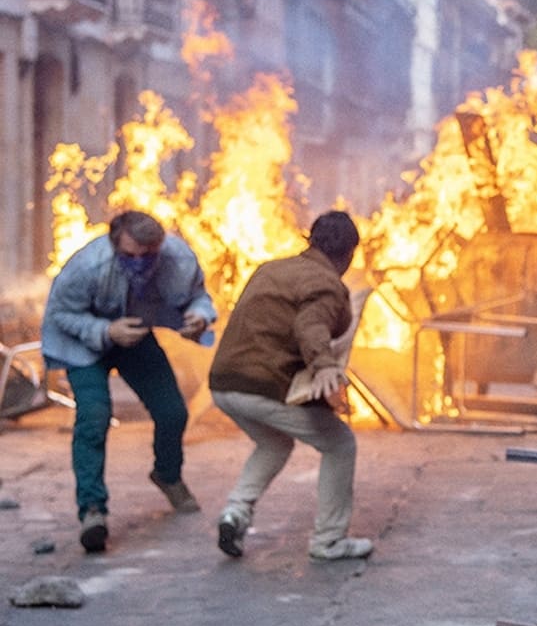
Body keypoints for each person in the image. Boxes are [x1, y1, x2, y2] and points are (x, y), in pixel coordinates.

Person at [41, 210, 215, 553]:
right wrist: (105, 330)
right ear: (114, 245)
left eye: (148, 255)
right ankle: (92, 509)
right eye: (130, 256)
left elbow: (198, 296)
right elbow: (60, 313)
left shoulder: (178, 259)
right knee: (94, 416)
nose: (139, 263)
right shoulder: (86, 266)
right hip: (82, 346)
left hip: (135, 336)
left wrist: (200, 316)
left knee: (172, 412)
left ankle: (167, 474)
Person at [208, 210, 373, 561]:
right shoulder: (327, 284)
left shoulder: (271, 269)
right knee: (340, 444)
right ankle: (329, 540)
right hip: (261, 387)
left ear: (311, 240)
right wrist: (324, 365)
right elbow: (310, 325)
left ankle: (235, 513)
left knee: (274, 443)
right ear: (349, 254)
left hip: (222, 384)